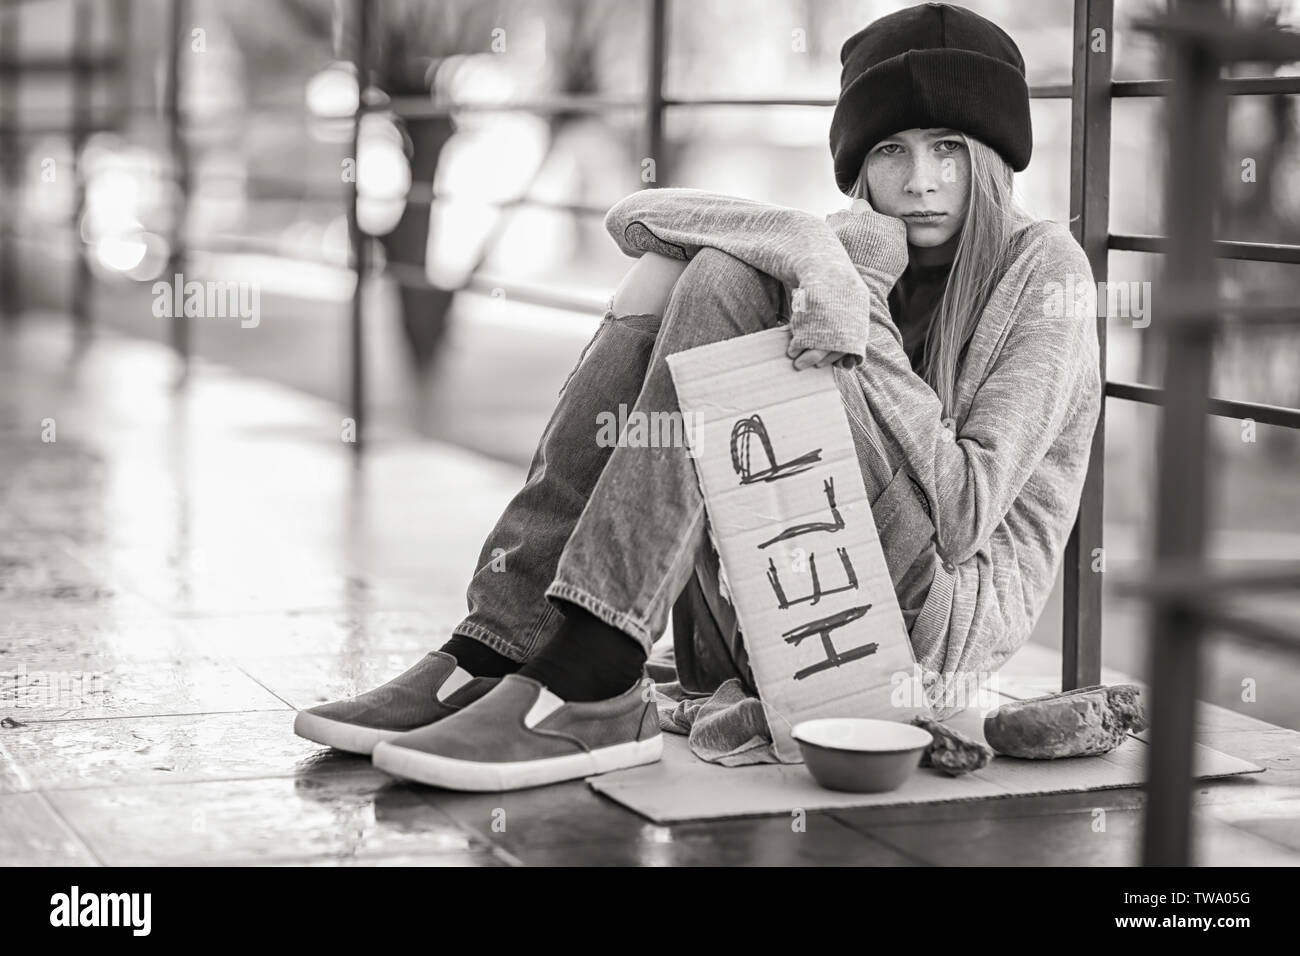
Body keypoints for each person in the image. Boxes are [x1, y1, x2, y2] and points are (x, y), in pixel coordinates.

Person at [293, 1, 1101, 791]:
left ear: (992, 157)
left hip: (918, 636)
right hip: (777, 605)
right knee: (685, 271)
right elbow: (638, 219)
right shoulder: (845, 251)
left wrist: (858, 311)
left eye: (949, 149)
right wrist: (810, 250)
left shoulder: (1043, 272)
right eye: (889, 150)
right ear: (860, 166)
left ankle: (591, 671)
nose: (920, 181)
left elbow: (964, 514)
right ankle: (501, 643)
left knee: (725, 276)